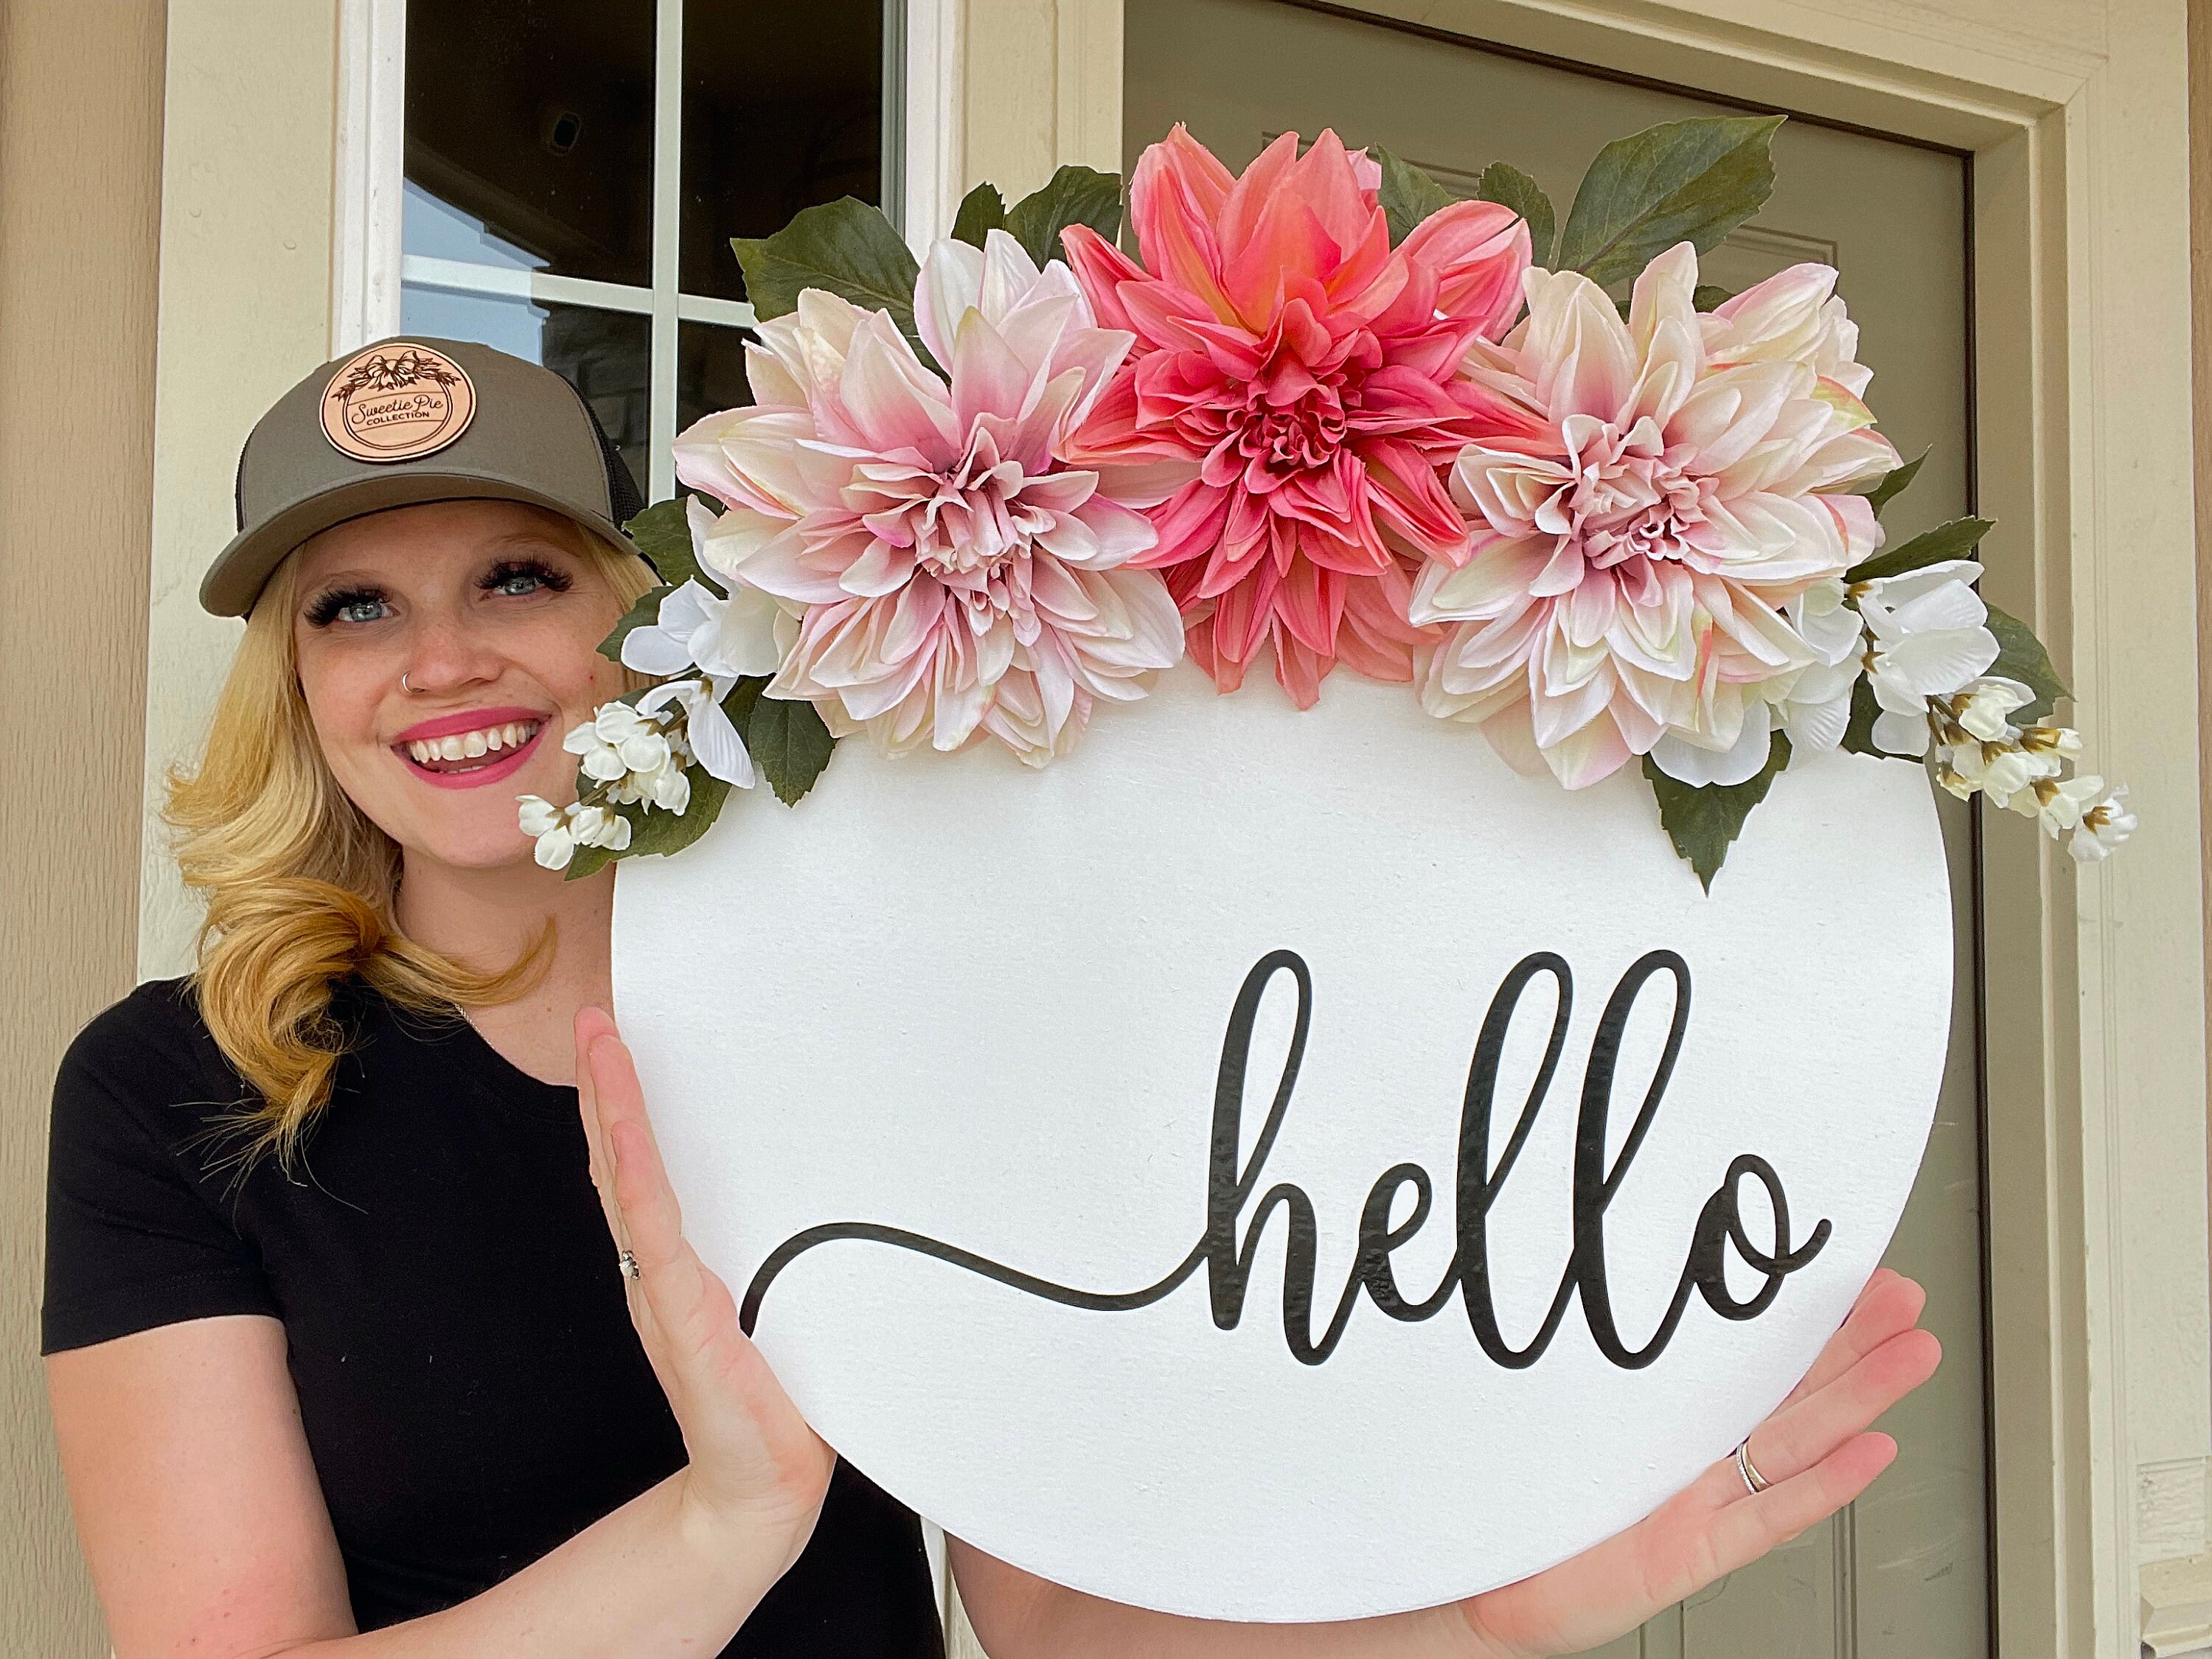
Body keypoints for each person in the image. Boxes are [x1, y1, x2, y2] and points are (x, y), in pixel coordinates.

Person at [43, 337, 1941, 1658]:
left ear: (637, 618)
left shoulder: (868, 1012)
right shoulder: (177, 1089)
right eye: (348, 606)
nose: (439, 661)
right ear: (290, 683)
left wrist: (1488, 1610)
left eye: (516, 576)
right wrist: (722, 1527)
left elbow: (1053, 1619)